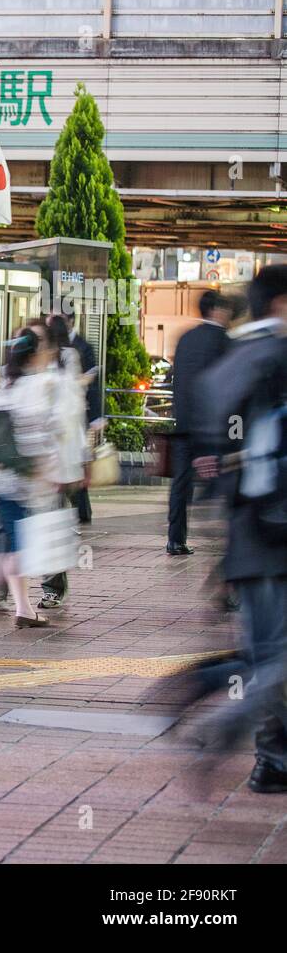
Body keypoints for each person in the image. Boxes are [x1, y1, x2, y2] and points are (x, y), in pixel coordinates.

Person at [192, 265, 287, 794]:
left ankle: (273, 761)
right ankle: (219, 721)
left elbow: (221, 448)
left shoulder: (239, 359)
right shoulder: (278, 356)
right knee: (276, 660)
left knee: (265, 653)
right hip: (276, 539)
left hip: (247, 536)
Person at [0, 325, 60, 628]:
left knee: (16, 543)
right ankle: (18, 605)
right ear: (35, 355)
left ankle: (22, 607)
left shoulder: (8, 384)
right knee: (20, 547)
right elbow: (37, 432)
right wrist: (44, 465)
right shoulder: (35, 386)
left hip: (0, 481)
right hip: (20, 482)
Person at [167, 290, 233, 556]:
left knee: (180, 483)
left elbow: (176, 380)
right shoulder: (225, 342)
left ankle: (175, 540)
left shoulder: (185, 338)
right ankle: (226, 540)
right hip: (213, 428)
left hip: (183, 423)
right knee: (225, 479)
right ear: (217, 310)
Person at [37, 313, 91, 610]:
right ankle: (39, 585)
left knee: (51, 523)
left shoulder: (62, 373)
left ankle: (52, 586)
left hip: (56, 465)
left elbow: (66, 418)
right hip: (50, 465)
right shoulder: (51, 369)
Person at [64, 304, 104, 524]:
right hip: (65, 415)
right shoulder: (52, 345)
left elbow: (92, 384)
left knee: (77, 461)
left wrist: (96, 417)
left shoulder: (82, 346)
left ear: (70, 320)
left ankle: (82, 510)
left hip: (77, 414)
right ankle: (74, 509)